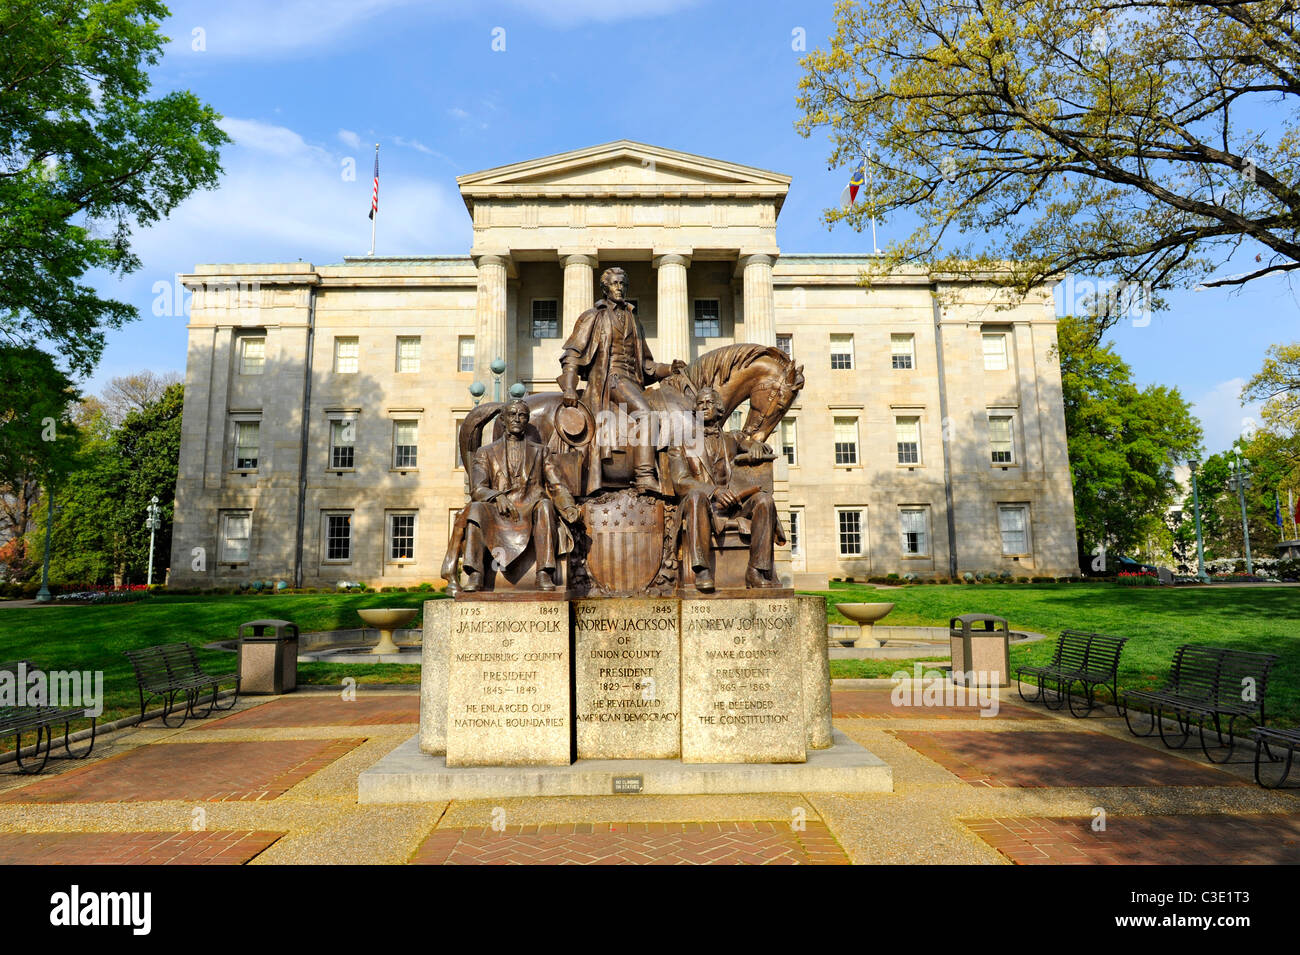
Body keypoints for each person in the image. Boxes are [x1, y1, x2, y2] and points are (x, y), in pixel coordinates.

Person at [557, 266, 686, 493]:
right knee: (646, 415)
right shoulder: (593, 316)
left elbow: (647, 366)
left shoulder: (633, 319)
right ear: (604, 288)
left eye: (623, 284)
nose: (619, 288)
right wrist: (569, 387)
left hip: (633, 382)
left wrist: (670, 369)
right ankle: (645, 475)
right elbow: (572, 353)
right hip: (610, 381)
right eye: (615, 284)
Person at [666, 388, 784, 591]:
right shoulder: (681, 443)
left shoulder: (732, 438)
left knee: (764, 500)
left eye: (709, 403)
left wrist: (756, 447)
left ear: (719, 409)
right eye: (700, 404)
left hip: (733, 504)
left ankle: (756, 570)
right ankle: (701, 569)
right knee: (695, 496)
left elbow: (758, 446)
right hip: (701, 504)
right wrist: (714, 491)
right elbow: (680, 481)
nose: (704, 407)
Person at [459, 400, 580, 592]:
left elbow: (556, 484)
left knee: (546, 505)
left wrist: (569, 507)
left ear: (527, 420)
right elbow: (478, 489)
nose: (517, 419)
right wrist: (496, 496)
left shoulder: (541, 451)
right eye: (512, 415)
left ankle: (543, 572)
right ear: (503, 420)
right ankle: (476, 573)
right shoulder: (485, 453)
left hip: (530, 506)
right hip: (498, 509)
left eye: (522, 415)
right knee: (476, 508)